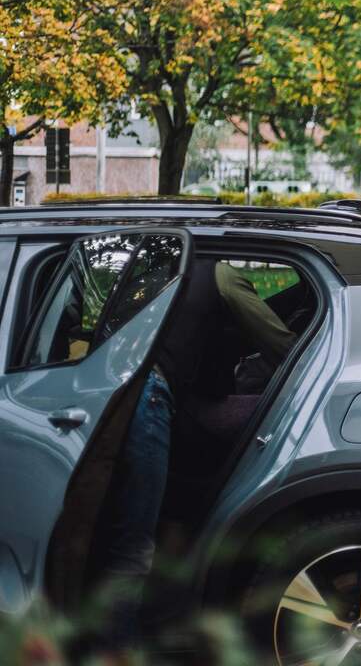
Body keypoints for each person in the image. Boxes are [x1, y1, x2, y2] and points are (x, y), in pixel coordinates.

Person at [101, 257, 297, 646]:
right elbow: (280, 342)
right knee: (134, 541)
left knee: (121, 526)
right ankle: (120, 648)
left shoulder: (150, 269)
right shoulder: (219, 272)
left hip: (113, 390)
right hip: (150, 395)